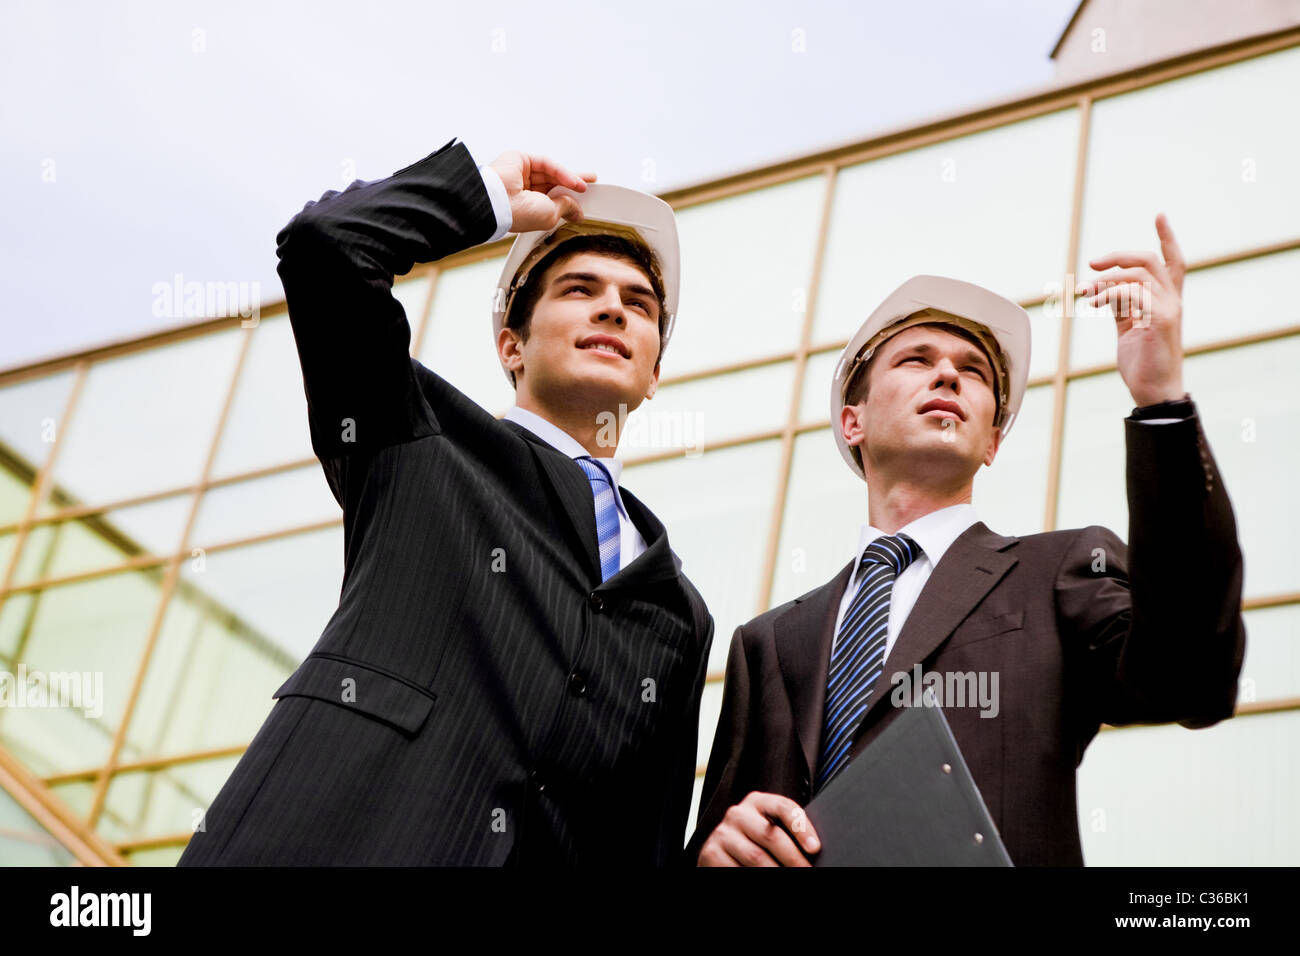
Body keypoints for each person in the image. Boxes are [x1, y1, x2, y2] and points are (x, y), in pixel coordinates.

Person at [178, 138, 713, 866]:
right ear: (511, 347)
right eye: (580, 290)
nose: (614, 311)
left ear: (654, 374)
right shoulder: (418, 436)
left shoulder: (680, 612)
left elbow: (639, 846)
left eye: (639, 305)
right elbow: (326, 247)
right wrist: (489, 194)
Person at [689, 215, 1246, 866]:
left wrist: (1159, 401)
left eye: (973, 372)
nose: (948, 376)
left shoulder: (1056, 574)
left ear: (992, 443)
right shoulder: (767, 644)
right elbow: (719, 840)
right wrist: (714, 854)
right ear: (853, 421)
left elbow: (1192, 681)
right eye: (916, 360)